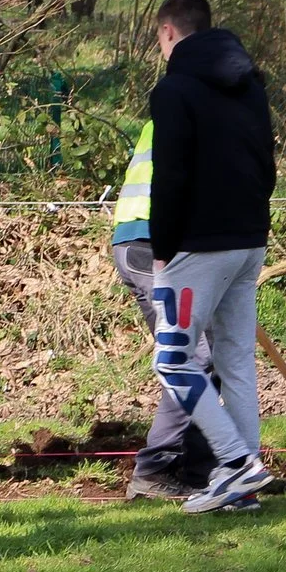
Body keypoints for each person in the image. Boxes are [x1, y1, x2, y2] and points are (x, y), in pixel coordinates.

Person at [144, 0, 276, 514]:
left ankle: (237, 462)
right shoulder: (250, 85)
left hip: (197, 247)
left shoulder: (173, 90)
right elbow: (267, 164)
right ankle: (239, 482)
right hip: (249, 240)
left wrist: (161, 252)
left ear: (170, 33)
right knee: (236, 362)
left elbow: (169, 178)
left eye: (158, 39)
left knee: (173, 362)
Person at [109, 105, 217, 499]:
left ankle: (199, 467)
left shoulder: (178, 113)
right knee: (193, 357)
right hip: (153, 247)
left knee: (210, 353)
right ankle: (155, 468)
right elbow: (185, 189)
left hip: (141, 243)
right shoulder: (196, 117)